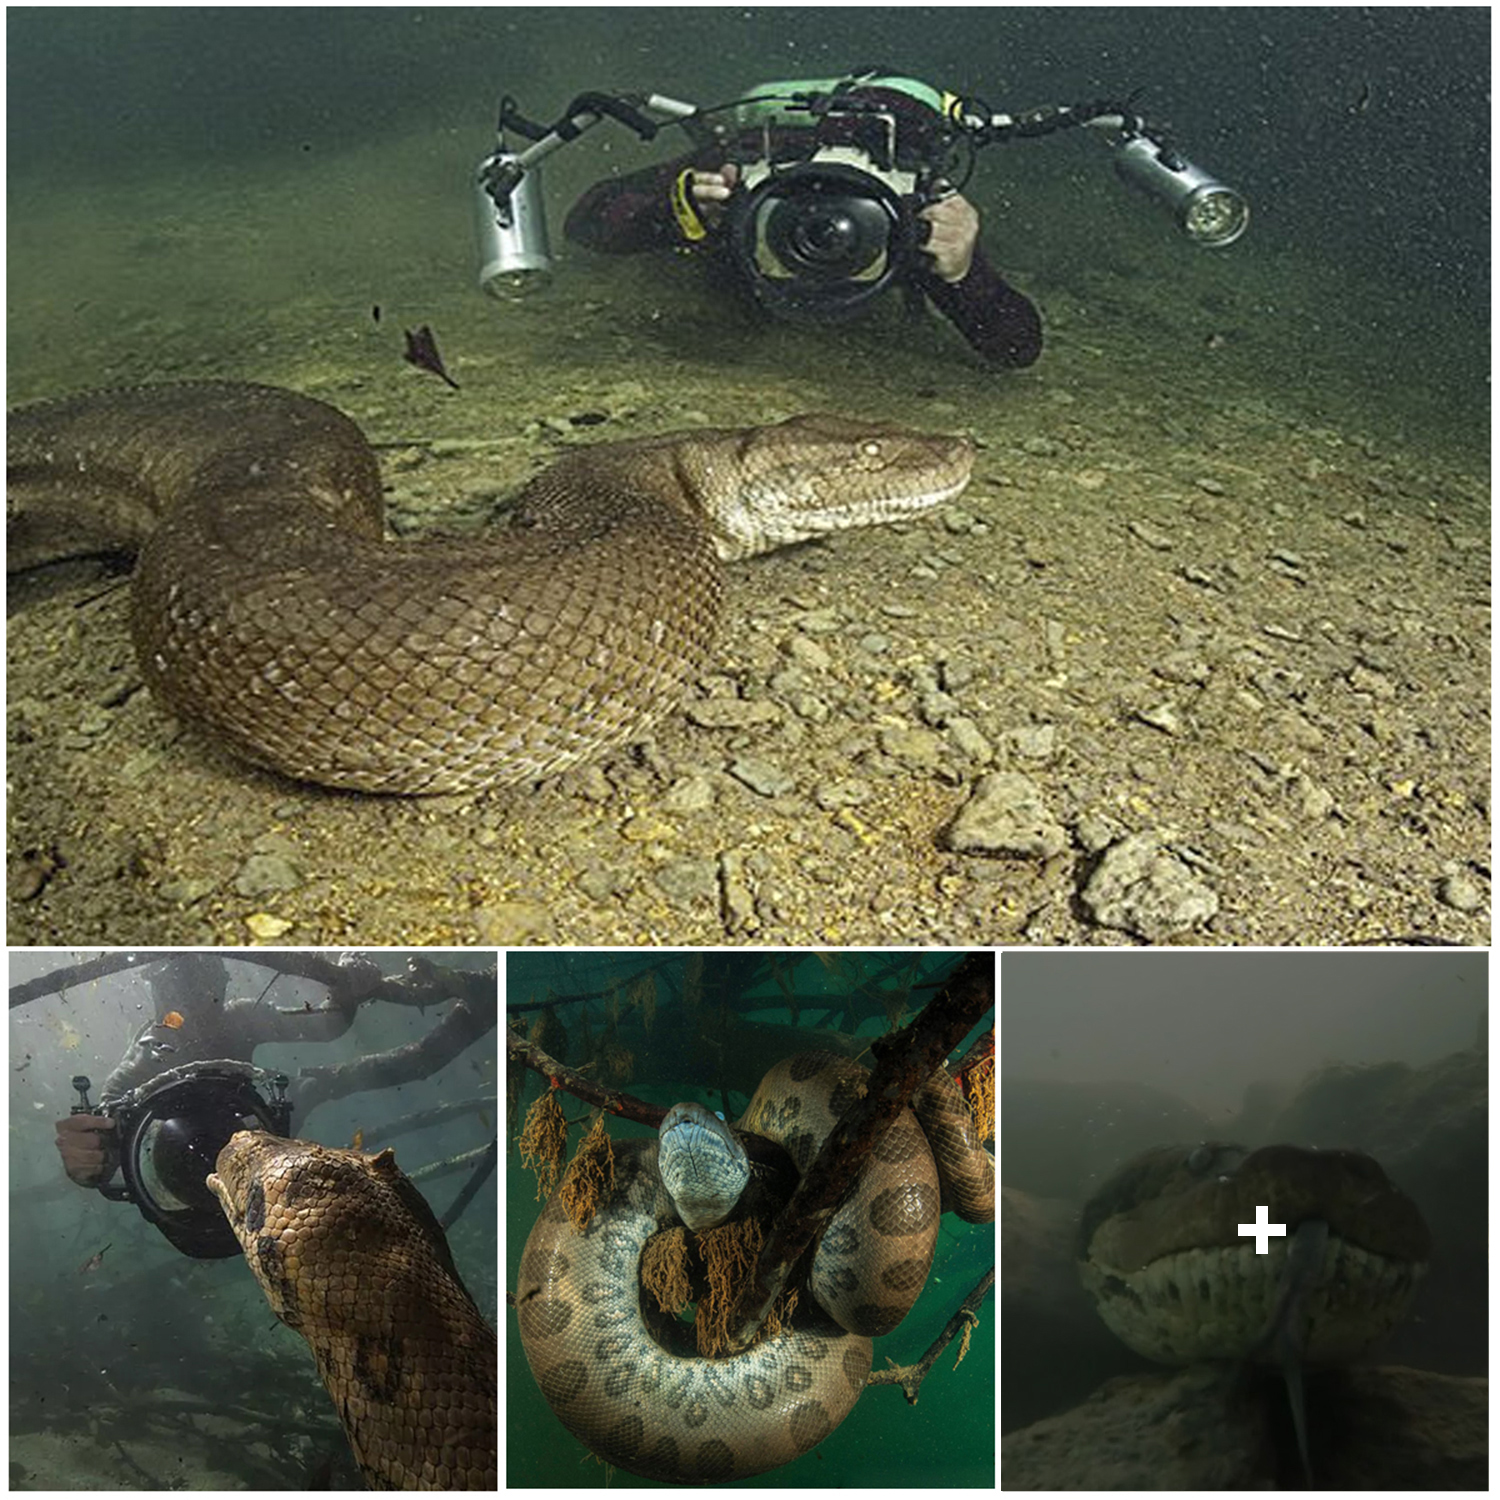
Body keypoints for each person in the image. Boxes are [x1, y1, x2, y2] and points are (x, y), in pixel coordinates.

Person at [563, 81, 1042, 369]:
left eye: (850, 210)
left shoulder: (909, 214)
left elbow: (1016, 347)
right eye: (803, 202)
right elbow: (586, 223)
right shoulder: (744, 173)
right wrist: (674, 210)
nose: (825, 227)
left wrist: (962, 271)